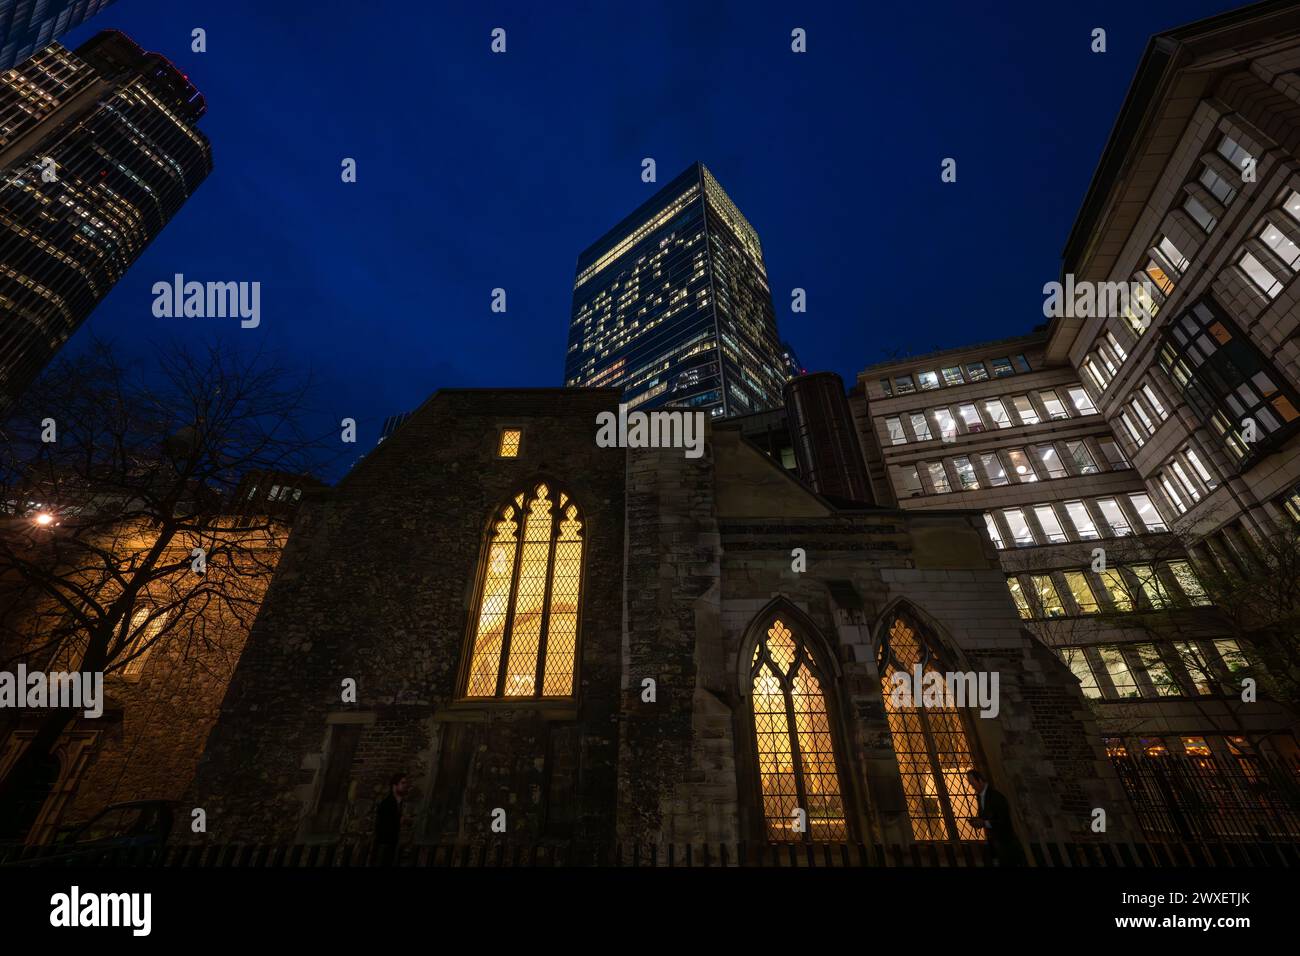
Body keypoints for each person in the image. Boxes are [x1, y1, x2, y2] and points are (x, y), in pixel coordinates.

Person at [965, 769, 1026, 866]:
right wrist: (978, 822)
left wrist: (984, 823)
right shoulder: (980, 797)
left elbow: (1004, 820)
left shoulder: (996, 796)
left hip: (1006, 844)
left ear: (980, 780)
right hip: (994, 845)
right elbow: (985, 817)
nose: (972, 787)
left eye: (973, 783)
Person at [373, 772, 411, 862]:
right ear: (394, 786)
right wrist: (399, 821)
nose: (405, 785)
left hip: (393, 845)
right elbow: (382, 826)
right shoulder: (386, 803)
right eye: (403, 783)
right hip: (384, 845)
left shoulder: (400, 804)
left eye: (406, 783)